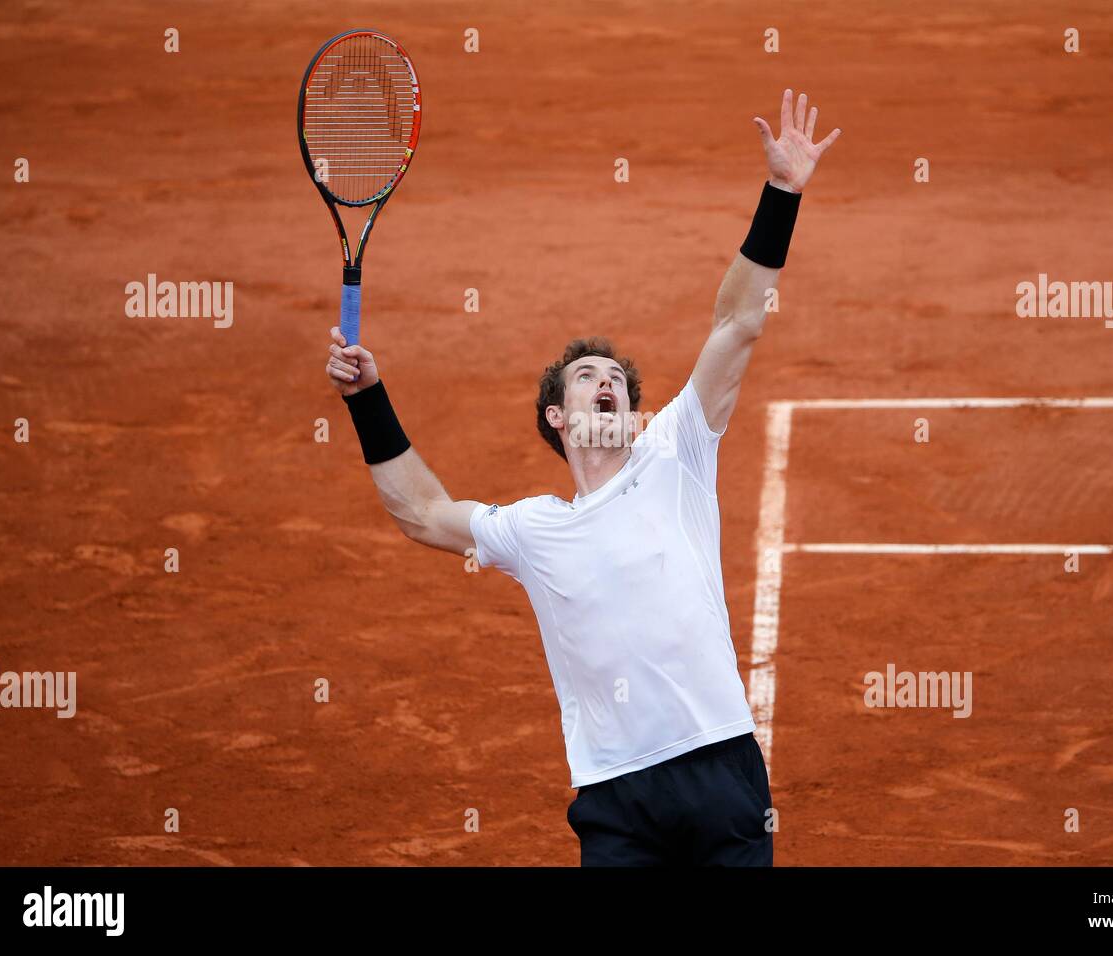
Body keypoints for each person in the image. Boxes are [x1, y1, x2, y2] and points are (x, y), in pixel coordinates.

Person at [324, 89, 841, 865]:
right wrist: (367, 399)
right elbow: (422, 512)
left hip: (721, 769)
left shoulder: (678, 451)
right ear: (558, 419)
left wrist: (781, 196)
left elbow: (739, 320)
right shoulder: (533, 529)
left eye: (617, 381)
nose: (606, 383)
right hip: (614, 797)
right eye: (585, 378)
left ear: (633, 411)